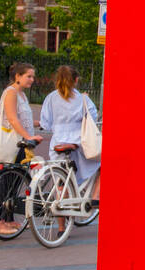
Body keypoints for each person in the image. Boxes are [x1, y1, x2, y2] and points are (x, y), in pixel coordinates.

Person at [39, 66, 101, 228]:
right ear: (76, 80)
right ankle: (95, 197)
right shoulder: (82, 99)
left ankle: (61, 228)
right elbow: (92, 118)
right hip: (79, 143)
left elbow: (45, 123)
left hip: (57, 143)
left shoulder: (51, 97)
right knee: (102, 163)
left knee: (61, 182)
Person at [0, 62, 43, 235]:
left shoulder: (21, 94)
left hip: (22, 144)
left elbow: (24, 119)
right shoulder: (11, 93)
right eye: (28, 76)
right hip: (13, 143)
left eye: (33, 76)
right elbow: (13, 120)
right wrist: (28, 137)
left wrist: (39, 124)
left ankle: (9, 219)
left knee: (16, 182)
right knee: (6, 182)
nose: (32, 79)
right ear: (17, 77)